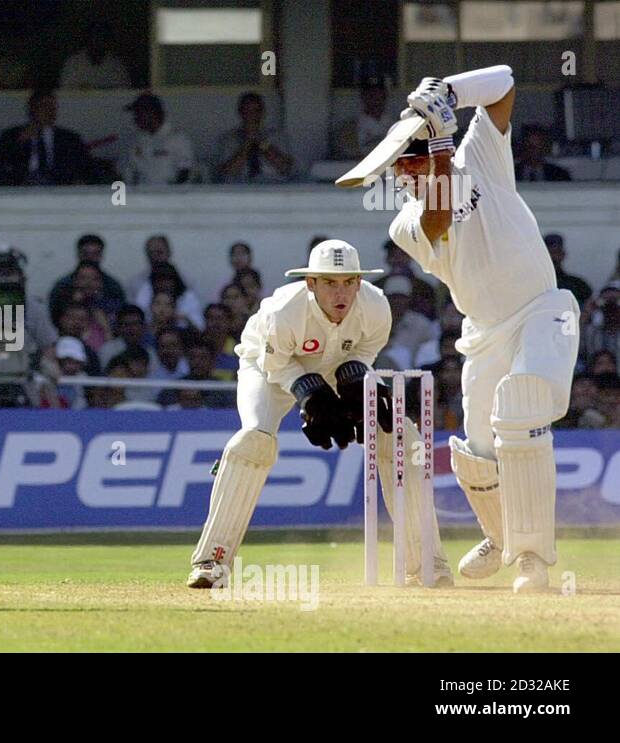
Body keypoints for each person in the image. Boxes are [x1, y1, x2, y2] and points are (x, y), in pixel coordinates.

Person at [376, 64, 580, 592]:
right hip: (484, 332)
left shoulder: (481, 156)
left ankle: (532, 558)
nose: (401, 175)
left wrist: (449, 92)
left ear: (424, 152)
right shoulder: (406, 225)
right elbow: (440, 218)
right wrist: (440, 137)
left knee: (521, 407)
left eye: (407, 162)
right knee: (476, 451)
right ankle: (503, 533)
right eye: (399, 168)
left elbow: (508, 82)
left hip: (543, 309)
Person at [188, 241, 449, 588]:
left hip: (335, 365)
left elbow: (365, 350)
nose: (340, 292)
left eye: (348, 282)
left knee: (401, 435)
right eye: (329, 282)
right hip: (269, 368)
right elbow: (275, 362)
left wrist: (354, 381)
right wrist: (310, 394)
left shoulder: (375, 307)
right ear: (310, 283)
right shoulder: (285, 311)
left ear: (359, 281)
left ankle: (426, 562)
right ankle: (212, 561)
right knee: (254, 441)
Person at [0, 90, 95, 186]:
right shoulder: (12, 134)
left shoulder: (69, 137)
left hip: (58, 184)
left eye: (53, 107)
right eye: (44, 106)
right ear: (32, 109)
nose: (49, 111)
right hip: (22, 184)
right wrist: (20, 141)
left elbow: (84, 164)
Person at [214, 92, 297, 183]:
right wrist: (248, 143)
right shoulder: (228, 139)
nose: (252, 115)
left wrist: (260, 141)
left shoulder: (277, 136)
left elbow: (285, 168)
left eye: (256, 110)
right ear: (240, 112)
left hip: (273, 186)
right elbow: (227, 173)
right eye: (247, 110)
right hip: (239, 189)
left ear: (262, 113)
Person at [120, 93, 195, 185]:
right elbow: (129, 170)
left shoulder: (177, 138)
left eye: (139, 114)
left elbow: (185, 172)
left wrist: (172, 195)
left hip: (170, 196)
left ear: (152, 114)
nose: (135, 119)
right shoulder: (136, 140)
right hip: (140, 196)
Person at [378, 275, 439, 369]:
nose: (397, 301)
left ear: (409, 299)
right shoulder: (375, 322)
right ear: (386, 299)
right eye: (394, 297)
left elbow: (430, 351)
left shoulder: (421, 323)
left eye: (401, 297)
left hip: (413, 374)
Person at [333, 78, 393, 160]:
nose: (375, 100)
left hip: (390, 170)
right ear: (363, 97)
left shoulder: (398, 125)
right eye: (371, 95)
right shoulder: (348, 129)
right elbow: (344, 155)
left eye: (379, 94)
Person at [58, 23, 130, 89]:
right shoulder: (73, 63)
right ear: (87, 39)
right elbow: (65, 90)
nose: (98, 41)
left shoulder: (116, 65)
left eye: (102, 37)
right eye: (95, 37)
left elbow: (124, 90)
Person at [543, 234, 592, 307]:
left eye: (556, 252)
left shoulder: (578, 285)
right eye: (550, 253)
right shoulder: (534, 284)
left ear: (563, 254)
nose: (553, 257)